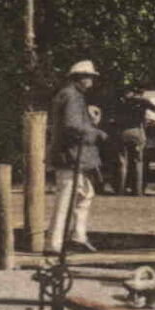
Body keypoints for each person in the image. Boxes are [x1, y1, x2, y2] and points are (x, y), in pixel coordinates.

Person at [47, 60, 106, 253]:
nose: (91, 80)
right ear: (78, 78)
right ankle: (54, 243)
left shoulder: (71, 95)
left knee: (85, 193)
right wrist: (95, 132)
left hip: (75, 156)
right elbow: (72, 126)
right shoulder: (72, 96)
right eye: (88, 77)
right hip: (70, 155)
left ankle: (78, 235)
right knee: (66, 198)